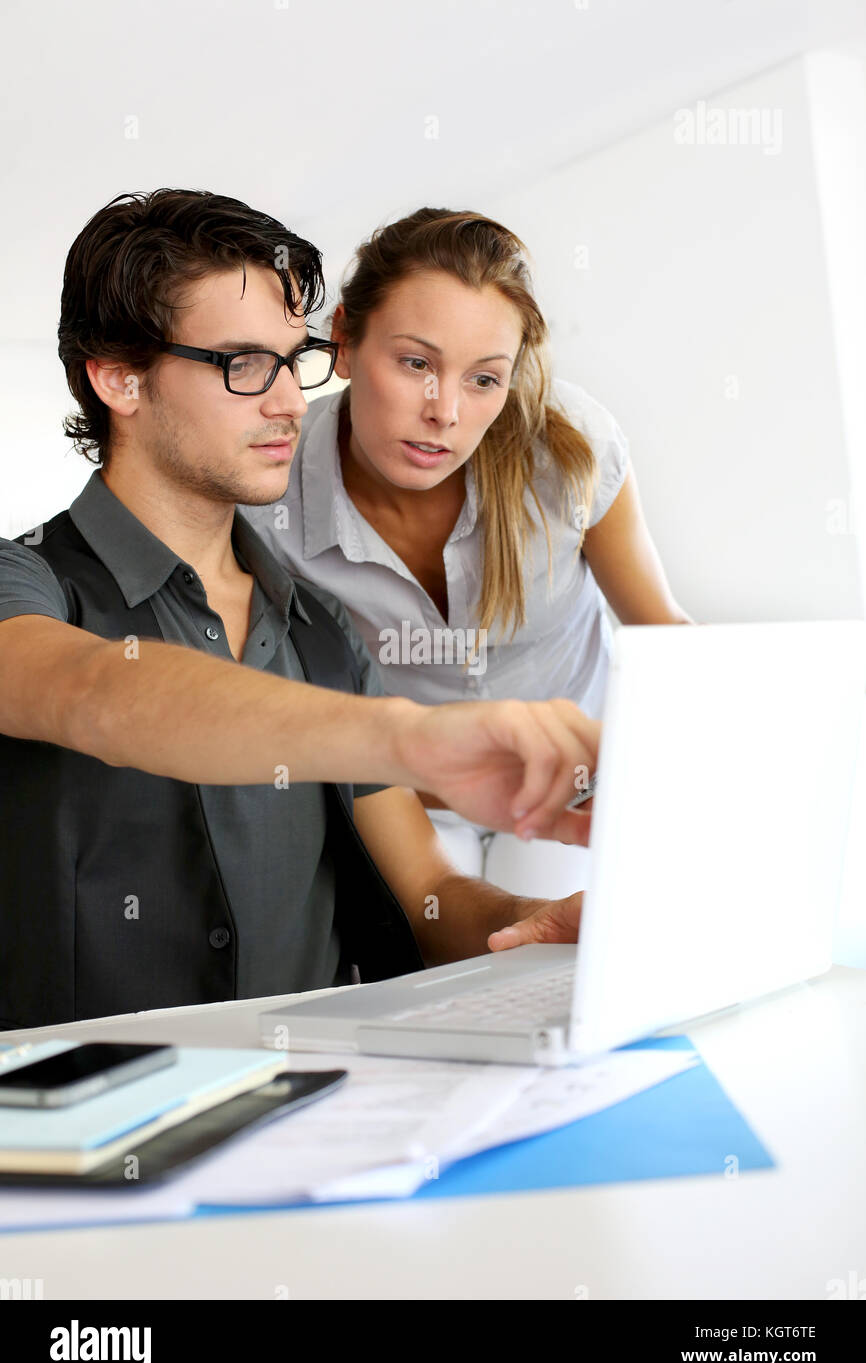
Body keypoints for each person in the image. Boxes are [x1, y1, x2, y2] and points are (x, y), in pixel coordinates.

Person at [0, 189, 600, 1031]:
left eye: (294, 359)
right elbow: (95, 692)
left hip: (313, 1120)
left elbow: (427, 894)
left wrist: (533, 930)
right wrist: (408, 733)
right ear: (119, 377)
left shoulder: (318, 631)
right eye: (242, 364)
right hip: (80, 1141)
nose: (289, 402)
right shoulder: (23, 587)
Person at [240, 207, 691, 897]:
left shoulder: (572, 449)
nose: (444, 411)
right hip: (412, 797)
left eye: (484, 378)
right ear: (344, 342)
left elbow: (662, 631)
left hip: (574, 788)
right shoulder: (271, 495)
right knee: (428, 960)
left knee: (560, 955)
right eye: (416, 363)